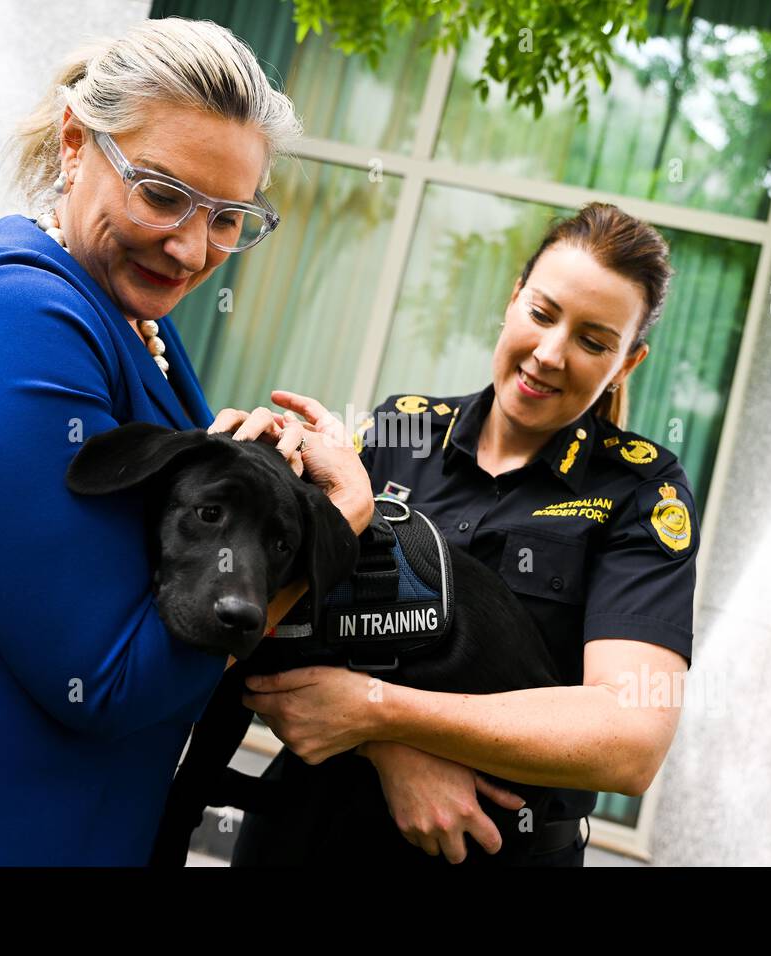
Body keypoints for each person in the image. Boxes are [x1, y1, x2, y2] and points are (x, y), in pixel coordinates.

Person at [0, 18, 372, 866]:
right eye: (161, 194)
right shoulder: (5, 326)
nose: (193, 248)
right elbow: (110, 677)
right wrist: (325, 527)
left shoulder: (131, 317)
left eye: (229, 217)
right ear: (77, 143)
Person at [219, 202, 696, 867]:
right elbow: (276, 628)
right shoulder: (399, 429)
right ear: (511, 301)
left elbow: (630, 741)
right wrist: (388, 749)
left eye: (593, 341)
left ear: (627, 363)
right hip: (309, 836)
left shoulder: (641, 492)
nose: (551, 354)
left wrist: (382, 712)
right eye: (542, 313)